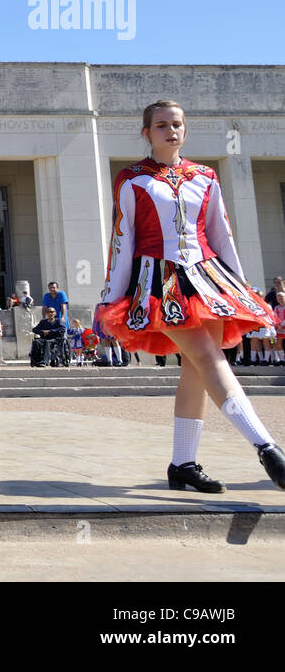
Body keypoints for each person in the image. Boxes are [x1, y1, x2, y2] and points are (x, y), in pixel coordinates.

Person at [95, 99, 285, 492]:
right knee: (208, 359)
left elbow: (221, 234)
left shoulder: (205, 176)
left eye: (177, 124)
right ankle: (267, 447)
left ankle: (183, 463)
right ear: (146, 132)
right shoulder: (131, 179)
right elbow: (122, 237)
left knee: (196, 371)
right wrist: (111, 297)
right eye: (161, 125)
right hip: (160, 282)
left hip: (209, 278)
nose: (171, 131)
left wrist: (240, 285)